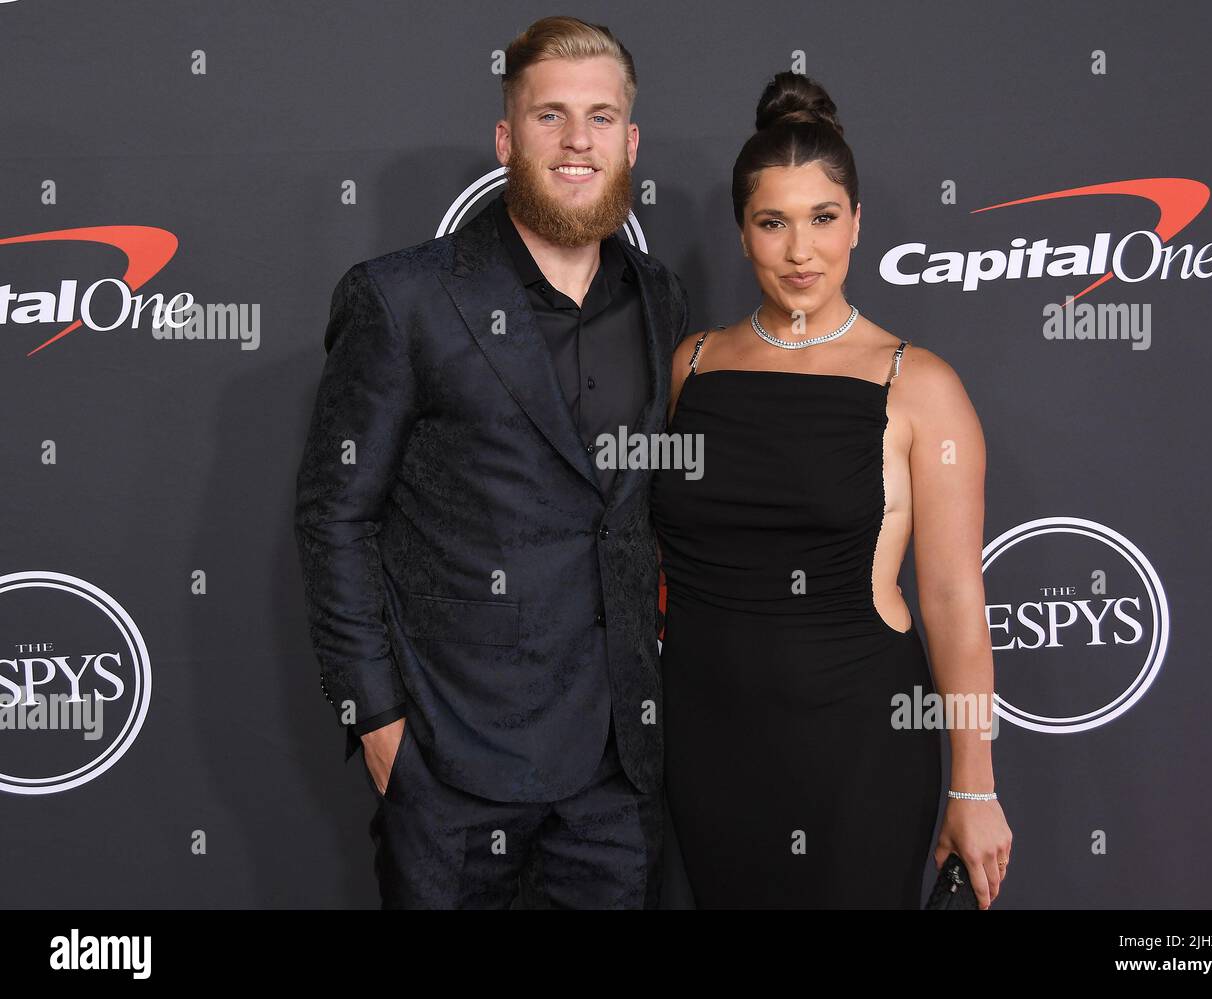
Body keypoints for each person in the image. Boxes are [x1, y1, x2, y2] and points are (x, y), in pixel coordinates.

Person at [294, 16, 690, 908]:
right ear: (508, 139)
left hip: (616, 777)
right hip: (451, 770)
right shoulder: (403, 299)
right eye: (551, 116)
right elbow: (335, 515)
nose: (578, 140)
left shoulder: (658, 296)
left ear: (630, 141)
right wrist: (381, 726)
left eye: (600, 116)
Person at [650, 71, 1013, 908]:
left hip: (858, 741)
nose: (800, 250)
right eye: (773, 222)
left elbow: (956, 597)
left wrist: (974, 787)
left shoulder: (917, 383)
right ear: (742, 233)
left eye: (822, 219)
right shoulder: (692, 365)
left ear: (858, 223)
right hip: (705, 744)